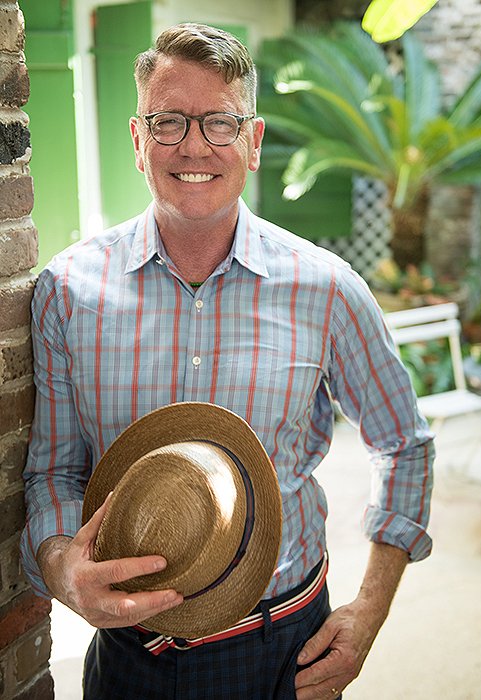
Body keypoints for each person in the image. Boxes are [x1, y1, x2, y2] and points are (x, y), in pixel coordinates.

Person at [21, 23, 434, 700]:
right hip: (125, 658)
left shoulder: (327, 288)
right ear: (135, 140)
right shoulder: (66, 293)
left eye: (220, 122)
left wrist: (369, 613)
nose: (193, 145)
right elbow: (54, 472)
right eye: (168, 121)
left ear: (254, 141)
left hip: (284, 649)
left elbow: (404, 444)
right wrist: (64, 569)